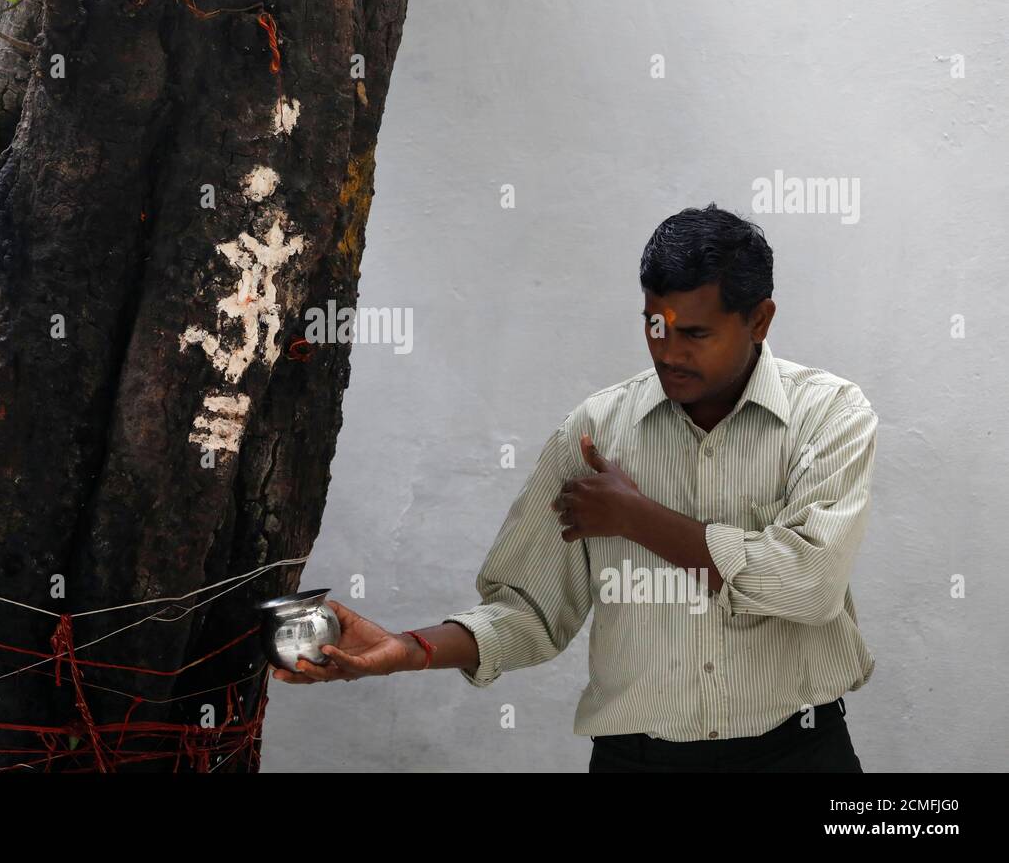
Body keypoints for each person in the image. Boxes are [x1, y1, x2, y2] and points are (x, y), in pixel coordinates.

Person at [272, 203, 878, 772]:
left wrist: (637, 518)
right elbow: (530, 612)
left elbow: (809, 584)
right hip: (637, 762)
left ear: (761, 320)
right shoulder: (596, 431)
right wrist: (406, 650)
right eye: (654, 326)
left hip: (798, 755)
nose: (667, 352)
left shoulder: (829, 416)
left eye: (695, 333)